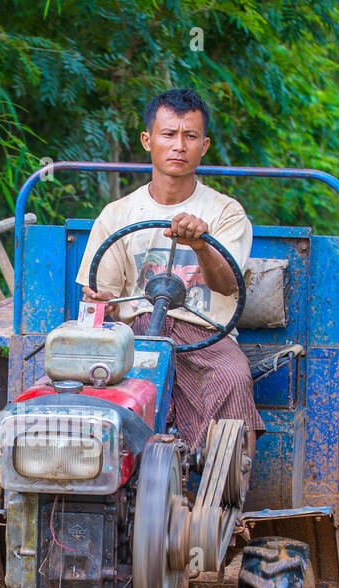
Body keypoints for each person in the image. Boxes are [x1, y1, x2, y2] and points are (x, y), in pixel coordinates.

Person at [77, 88, 263, 453]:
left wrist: (200, 244)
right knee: (88, 385)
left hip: (206, 335)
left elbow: (227, 285)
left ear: (204, 145)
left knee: (233, 376)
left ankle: (228, 498)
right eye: (169, 134)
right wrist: (105, 305)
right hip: (138, 332)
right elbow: (103, 298)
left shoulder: (226, 212)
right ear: (147, 140)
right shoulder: (118, 214)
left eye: (190, 136)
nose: (179, 145)